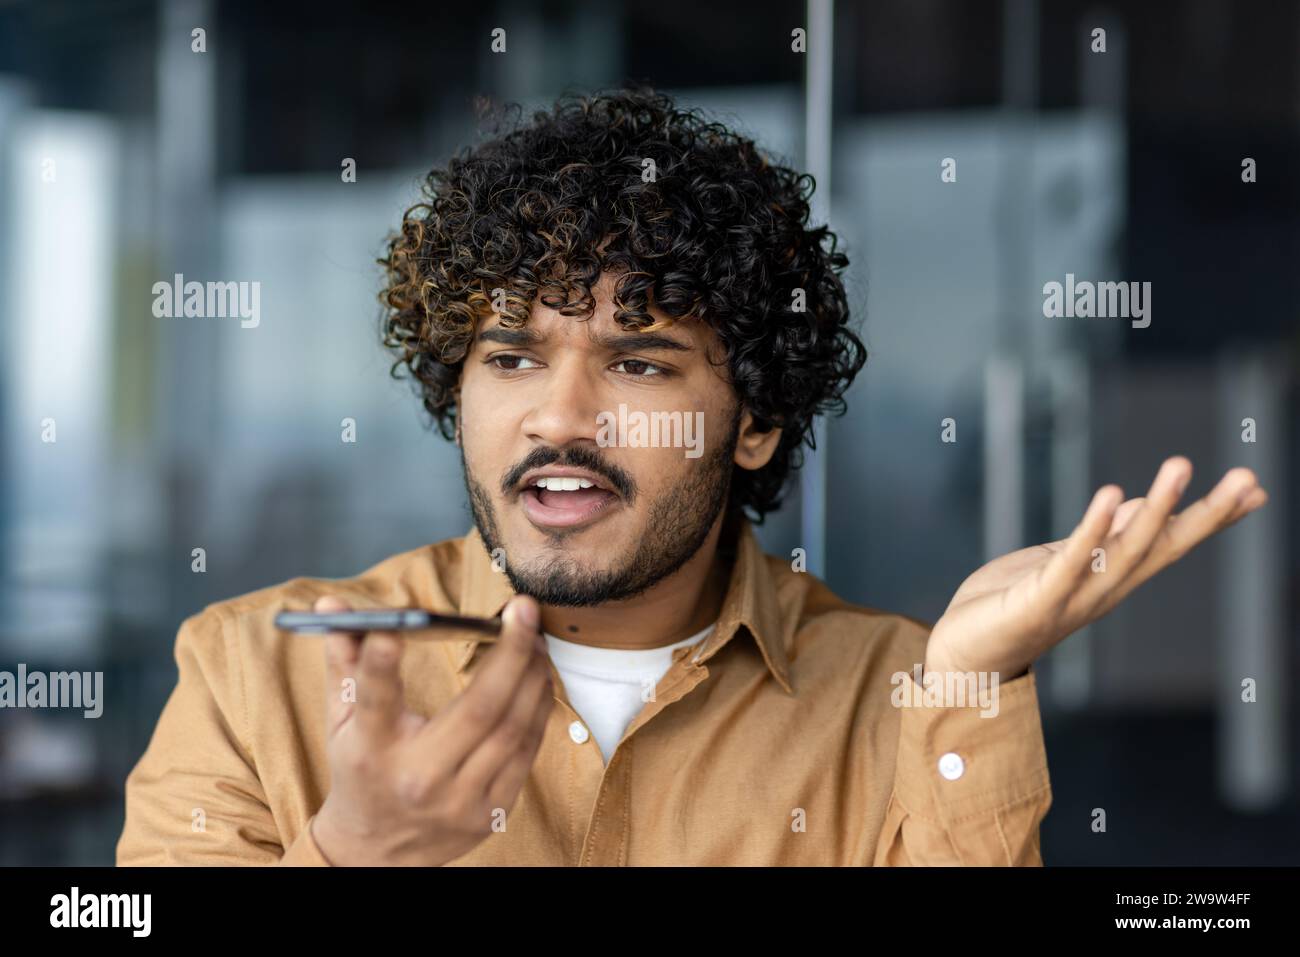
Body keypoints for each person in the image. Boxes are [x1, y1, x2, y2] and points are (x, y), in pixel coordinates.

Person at [117, 86, 1267, 866]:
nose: (559, 417)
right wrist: (351, 857)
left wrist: (963, 679)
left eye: (638, 361)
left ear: (755, 420)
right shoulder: (251, 673)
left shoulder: (901, 698)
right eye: (511, 357)